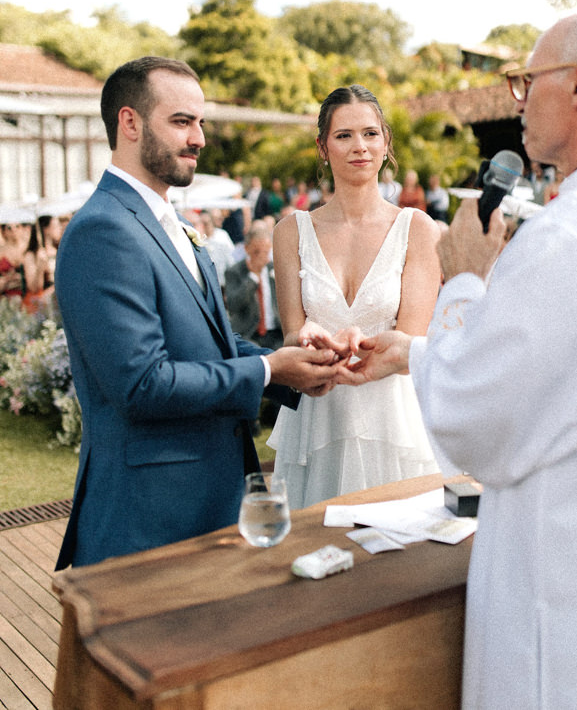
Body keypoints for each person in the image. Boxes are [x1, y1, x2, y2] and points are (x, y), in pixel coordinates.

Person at [336, 11, 577, 709]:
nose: (517, 101)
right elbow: (559, 377)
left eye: (525, 81)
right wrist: (416, 354)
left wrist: (465, 278)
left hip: (561, 588)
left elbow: (476, 424)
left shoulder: (566, 237)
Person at [54, 56, 342, 570]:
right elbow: (142, 385)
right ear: (130, 123)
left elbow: (211, 345)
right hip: (148, 521)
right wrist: (267, 370)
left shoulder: (173, 224)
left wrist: (291, 363)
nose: (200, 138)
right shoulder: (104, 231)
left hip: (211, 509)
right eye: (182, 121)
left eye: (201, 122)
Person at [267, 84, 442, 509]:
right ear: (323, 148)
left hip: (393, 422)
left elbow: (410, 340)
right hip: (317, 417)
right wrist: (308, 336)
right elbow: (291, 335)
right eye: (343, 135)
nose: (359, 146)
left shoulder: (417, 228)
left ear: (386, 143)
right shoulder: (290, 231)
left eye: (370, 133)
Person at [224, 221, 283, 351]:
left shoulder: (274, 269)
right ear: (247, 248)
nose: (263, 257)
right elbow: (233, 305)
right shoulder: (235, 271)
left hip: (276, 332)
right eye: (257, 252)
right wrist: (253, 277)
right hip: (248, 333)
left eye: (266, 252)